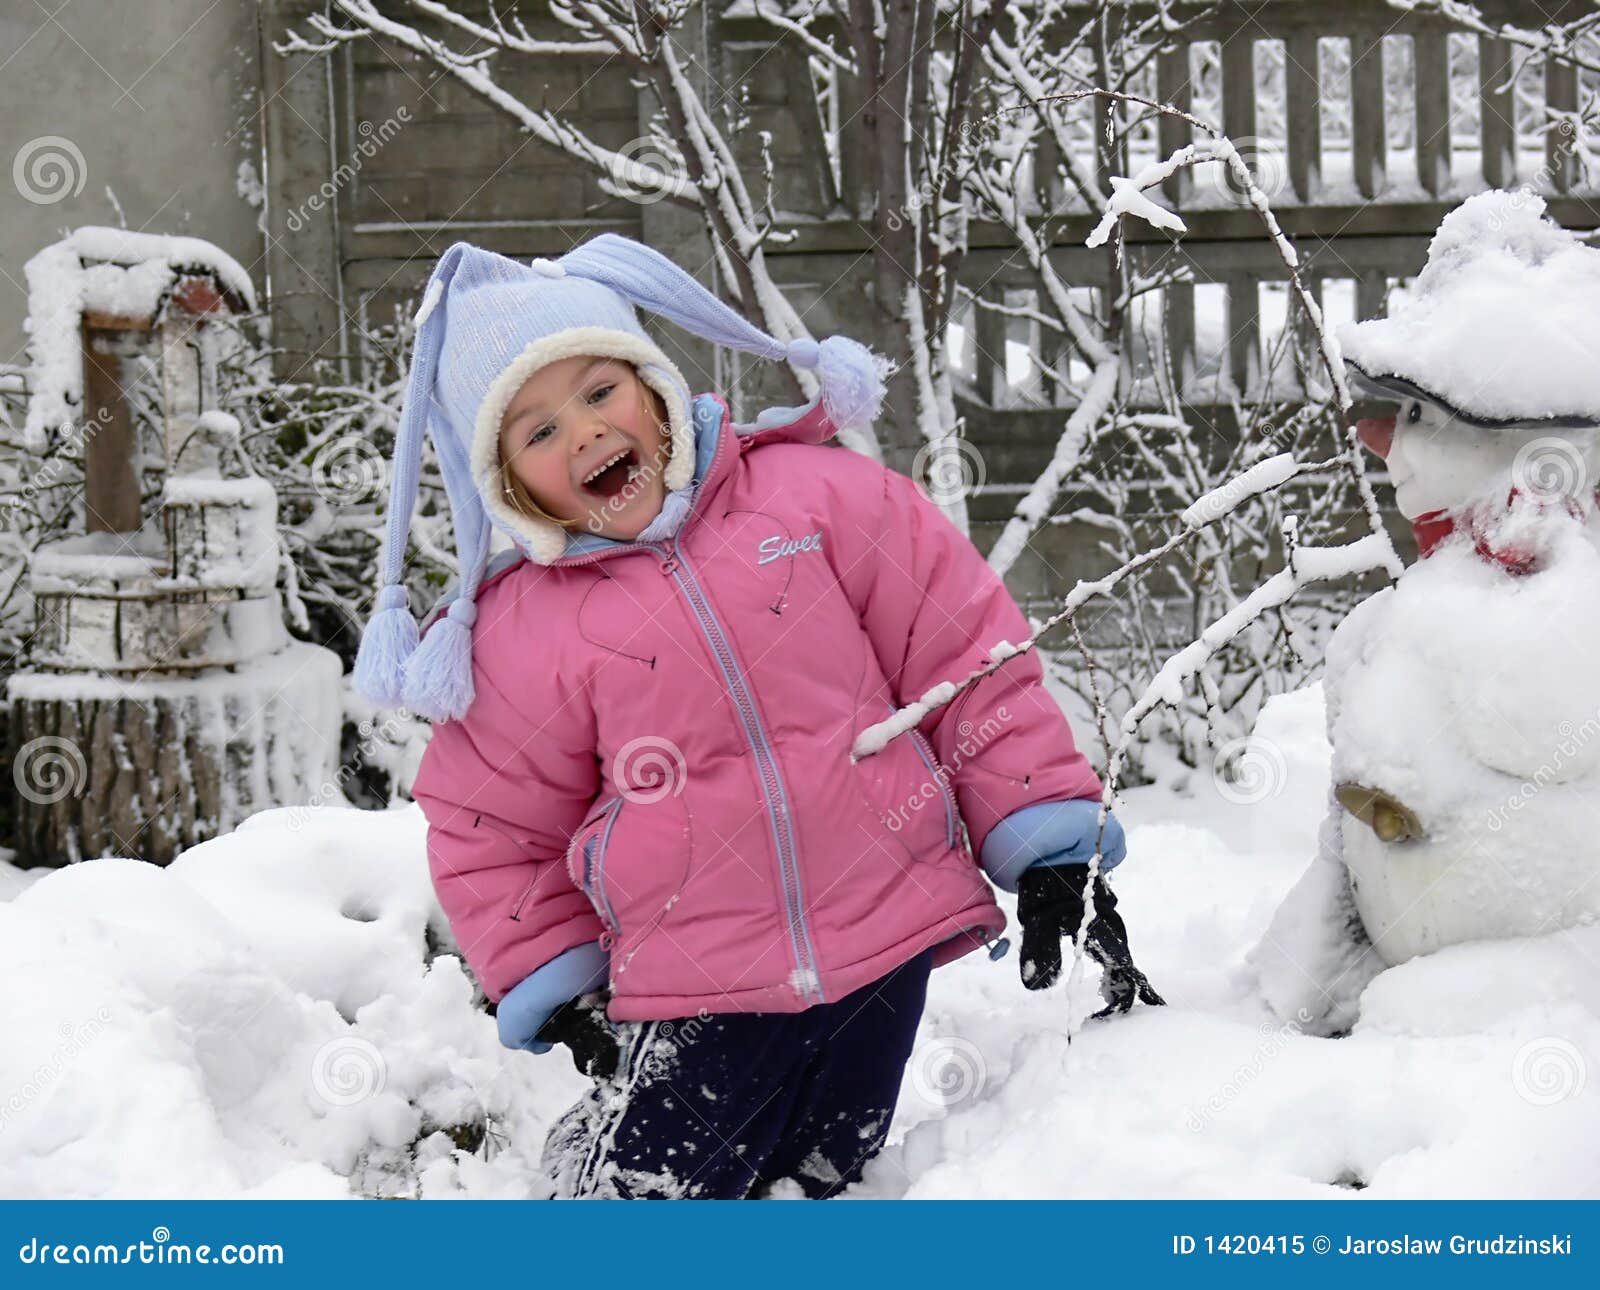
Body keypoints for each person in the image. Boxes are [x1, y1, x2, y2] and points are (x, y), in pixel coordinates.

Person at [352, 234, 1161, 1199]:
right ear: (510, 486)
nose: (581, 432)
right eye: (536, 432)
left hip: (885, 943)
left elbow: (967, 659)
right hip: (697, 984)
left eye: (600, 392)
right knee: (657, 1202)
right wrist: (558, 980)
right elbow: (493, 825)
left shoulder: (821, 499)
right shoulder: (526, 633)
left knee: (826, 1182)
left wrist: (1045, 845)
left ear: (654, 389)